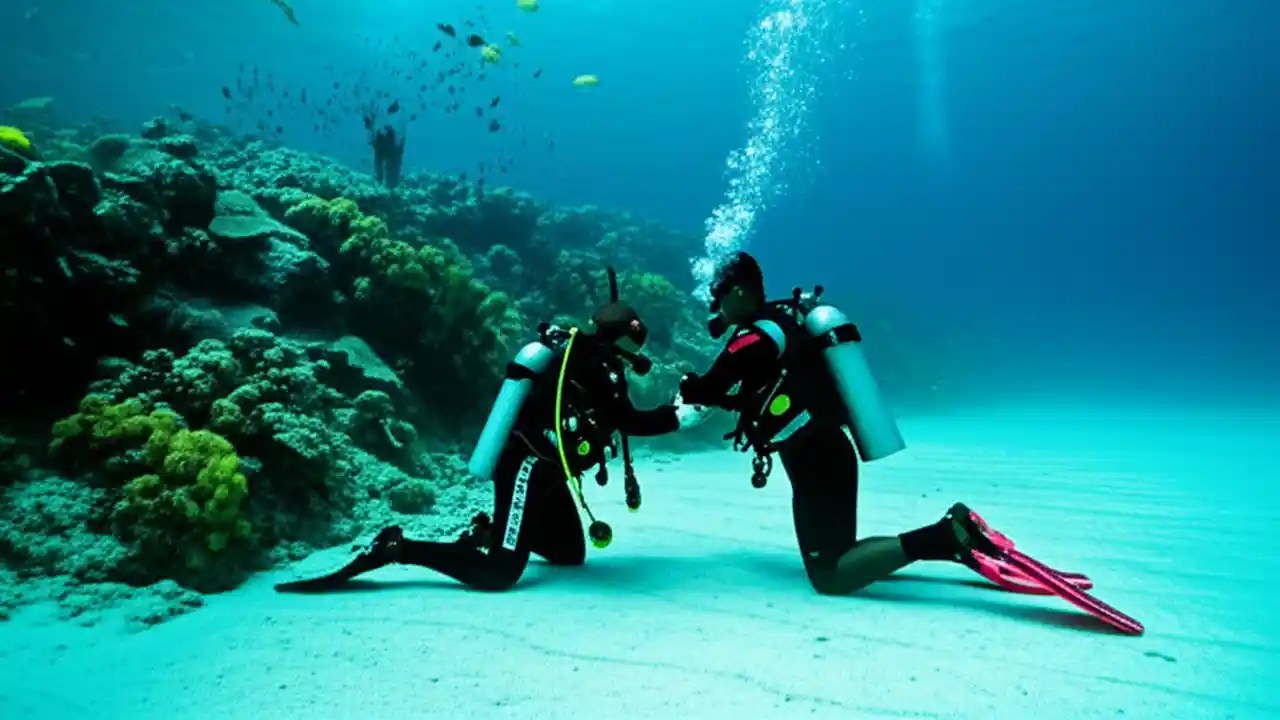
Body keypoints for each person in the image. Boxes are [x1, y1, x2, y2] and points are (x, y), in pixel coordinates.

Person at [276, 267, 703, 593]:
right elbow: (627, 420)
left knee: (569, 554)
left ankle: (489, 533)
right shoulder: (593, 366)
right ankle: (398, 548)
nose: (642, 350)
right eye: (639, 338)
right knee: (499, 574)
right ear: (624, 337)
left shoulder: (598, 363)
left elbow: (614, 416)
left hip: (554, 471)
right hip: (528, 466)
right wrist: (680, 415)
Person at [676, 251, 1002, 595]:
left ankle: (945, 536)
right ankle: (950, 538)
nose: (715, 303)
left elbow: (709, 388)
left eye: (718, 294)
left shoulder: (754, 339)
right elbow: (750, 394)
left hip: (814, 459)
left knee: (830, 575)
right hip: (829, 448)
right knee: (844, 553)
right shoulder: (785, 320)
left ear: (739, 291)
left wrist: (686, 386)